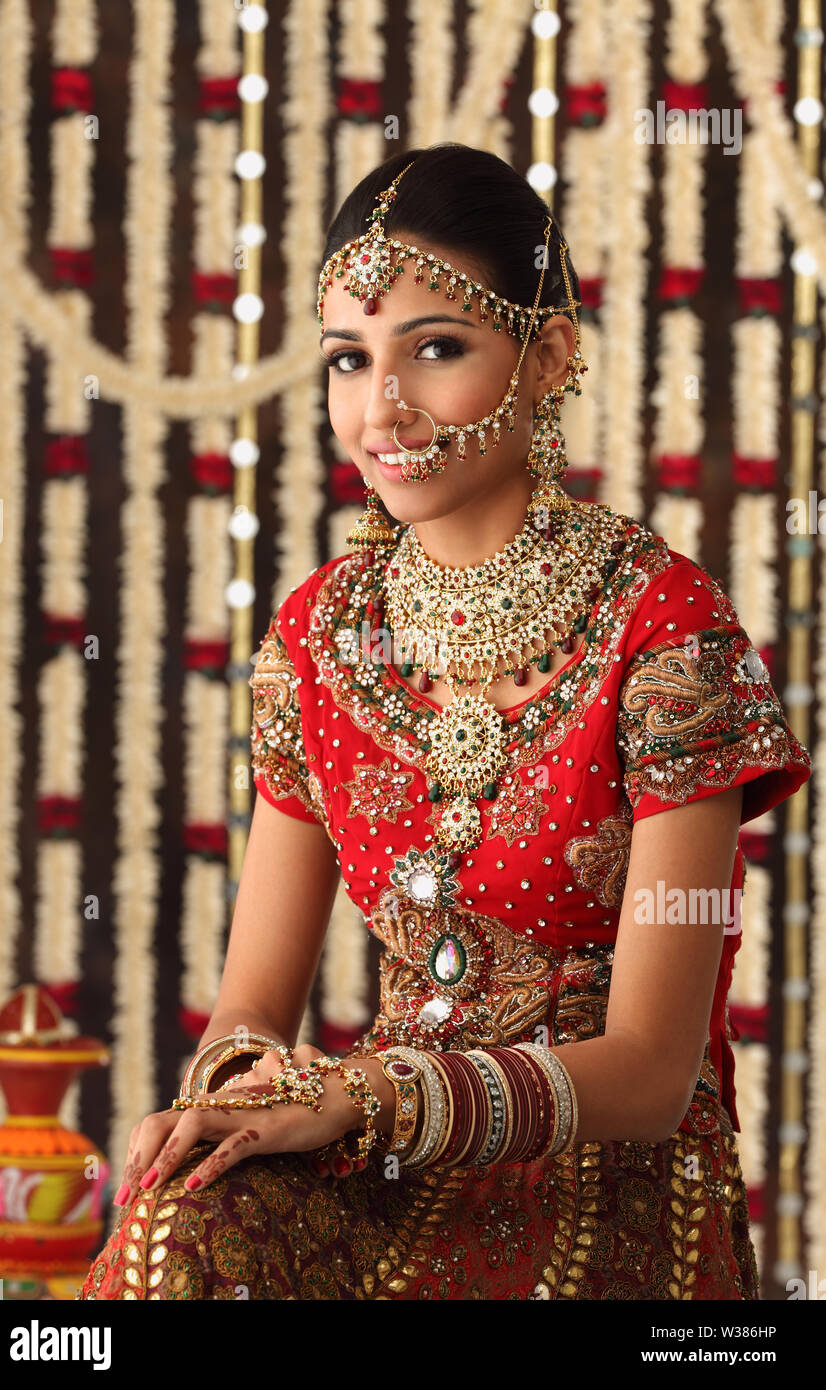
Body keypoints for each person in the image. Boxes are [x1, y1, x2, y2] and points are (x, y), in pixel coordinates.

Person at [78, 144, 810, 1301]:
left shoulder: (661, 631)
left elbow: (654, 1072)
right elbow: (255, 1003)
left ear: (547, 354)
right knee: (182, 1226)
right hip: (375, 1153)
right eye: (347, 360)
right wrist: (239, 1095)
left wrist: (366, 1096)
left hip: (600, 1175)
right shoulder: (321, 637)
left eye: (434, 348)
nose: (383, 409)